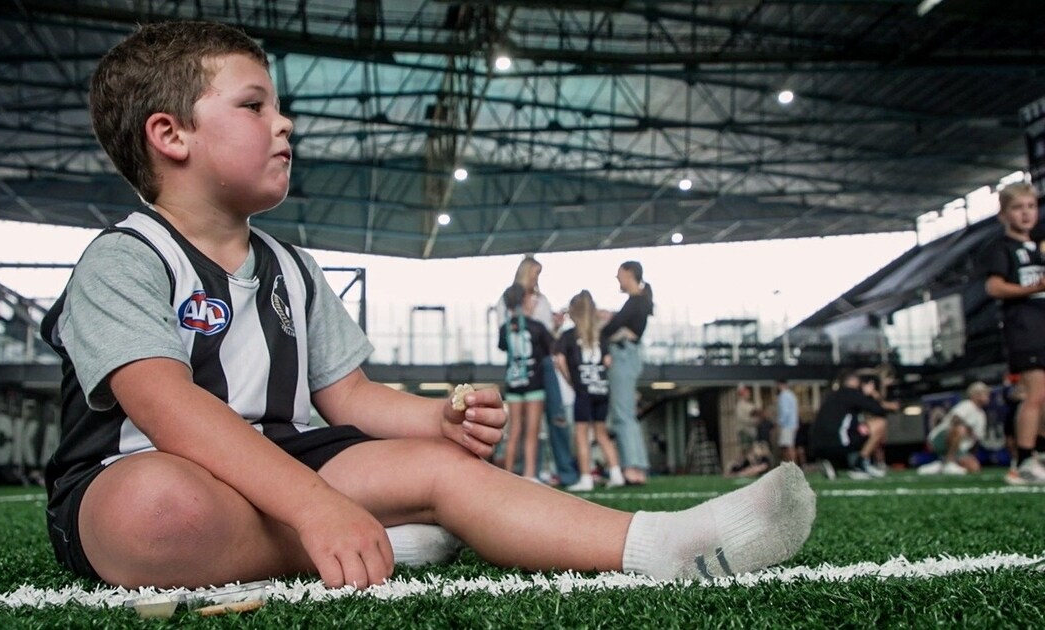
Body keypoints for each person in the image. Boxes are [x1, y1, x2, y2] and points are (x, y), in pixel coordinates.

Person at [40, 21, 816, 591]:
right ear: (170, 135)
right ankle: (359, 537)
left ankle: (661, 544)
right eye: (254, 105)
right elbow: (170, 411)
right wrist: (314, 505)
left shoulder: (293, 269)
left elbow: (347, 396)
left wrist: (432, 421)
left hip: (288, 463)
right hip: (143, 473)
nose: (285, 123)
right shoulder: (124, 260)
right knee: (157, 511)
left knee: (442, 467)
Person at [983, 182, 1045, 485]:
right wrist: (1033, 288)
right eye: (1018, 207)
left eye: (1030, 206)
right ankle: (1022, 461)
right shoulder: (1002, 248)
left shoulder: (1038, 247)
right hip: (1024, 329)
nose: (1025, 213)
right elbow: (993, 287)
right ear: (1004, 214)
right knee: (1035, 395)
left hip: (1041, 325)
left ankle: (1038, 454)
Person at [509, 256, 578, 486]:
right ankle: (525, 473)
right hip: (524, 370)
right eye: (534, 273)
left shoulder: (543, 300)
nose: (537, 278)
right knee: (525, 425)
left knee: (555, 418)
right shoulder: (509, 298)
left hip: (540, 366)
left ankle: (560, 472)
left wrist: (555, 325)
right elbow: (507, 333)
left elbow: (548, 337)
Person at [554, 291, 626, 491]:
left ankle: (586, 478)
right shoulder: (600, 336)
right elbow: (608, 362)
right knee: (602, 434)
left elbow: (559, 360)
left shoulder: (569, 336)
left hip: (583, 391)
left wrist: (571, 381)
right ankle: (616, 473)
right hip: (601, 389)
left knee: (581, 434)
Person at [601, 261, 652, 485]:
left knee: (623, 415)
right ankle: (635, 466)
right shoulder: (639, 302)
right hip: (628, 356)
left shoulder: (636, 301)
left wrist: (609, 323)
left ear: (630, 274)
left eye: (619, 274)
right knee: (626, 414)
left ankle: (632, 468)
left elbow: (613, 329)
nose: (617, 279)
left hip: (623, 356)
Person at [497, 284, 553, 482]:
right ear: (524, 301)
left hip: (513, 383)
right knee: (532, 431)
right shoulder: (537, 327)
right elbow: (549, 349)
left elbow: (503, 347)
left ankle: (509, 474)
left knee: (513, 431)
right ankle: (529, 474)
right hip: (534, 384)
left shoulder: (504, 328)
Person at [808, 372, 898, 480]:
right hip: (839, 443)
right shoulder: (853, 394)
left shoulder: (832, 395)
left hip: (816, 446)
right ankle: (859, 465)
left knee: (853, 427)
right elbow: (879, 410)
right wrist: (873, 394)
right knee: (880, 424)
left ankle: (831, 463)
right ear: (856, 383)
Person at [917, 382, 990, 475]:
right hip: (941, 439)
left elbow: (976, 439)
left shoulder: (981, 415)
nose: (987, 396)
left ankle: (939, 466)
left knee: (974, 467)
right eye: (984, 393)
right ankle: (949, 463)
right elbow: (955, 419)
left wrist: (968, 456)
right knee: (960, 429)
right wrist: (969, 428)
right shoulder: (967, 405)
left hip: (961, 447)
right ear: (975, 395)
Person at [776, 380, 799, 463]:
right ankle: (789, 467)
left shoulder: (784, 395)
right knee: (788, 446)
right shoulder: (792, 395)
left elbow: (785, 412)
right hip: (792, 425)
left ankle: (791, 468)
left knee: (787, 447)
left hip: (786, 425)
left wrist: (780, 422)